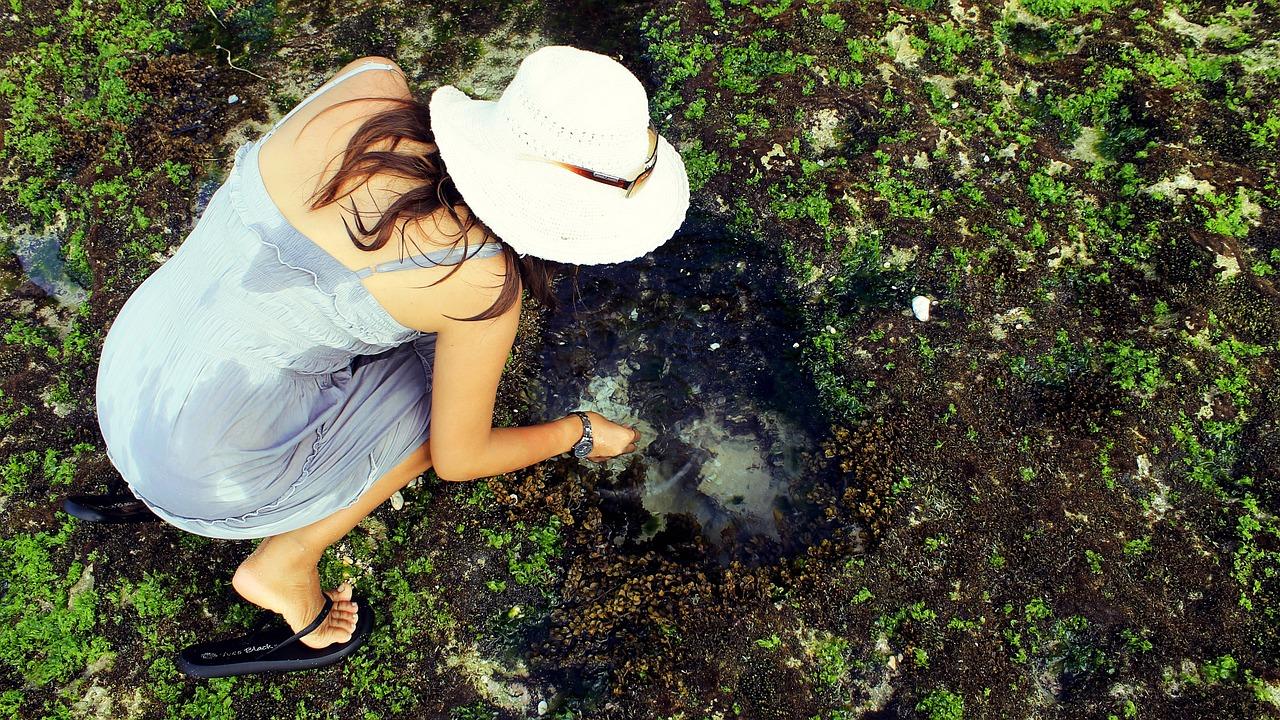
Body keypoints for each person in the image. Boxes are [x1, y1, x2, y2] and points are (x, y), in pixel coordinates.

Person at [85, 45, 690, 677]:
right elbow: (461, 458)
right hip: (202, 468)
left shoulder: (371, 86)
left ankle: (169, 475)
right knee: (441, 407)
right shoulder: (479, 279)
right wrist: (578, 432)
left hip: (134, 369)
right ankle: (285, 562)